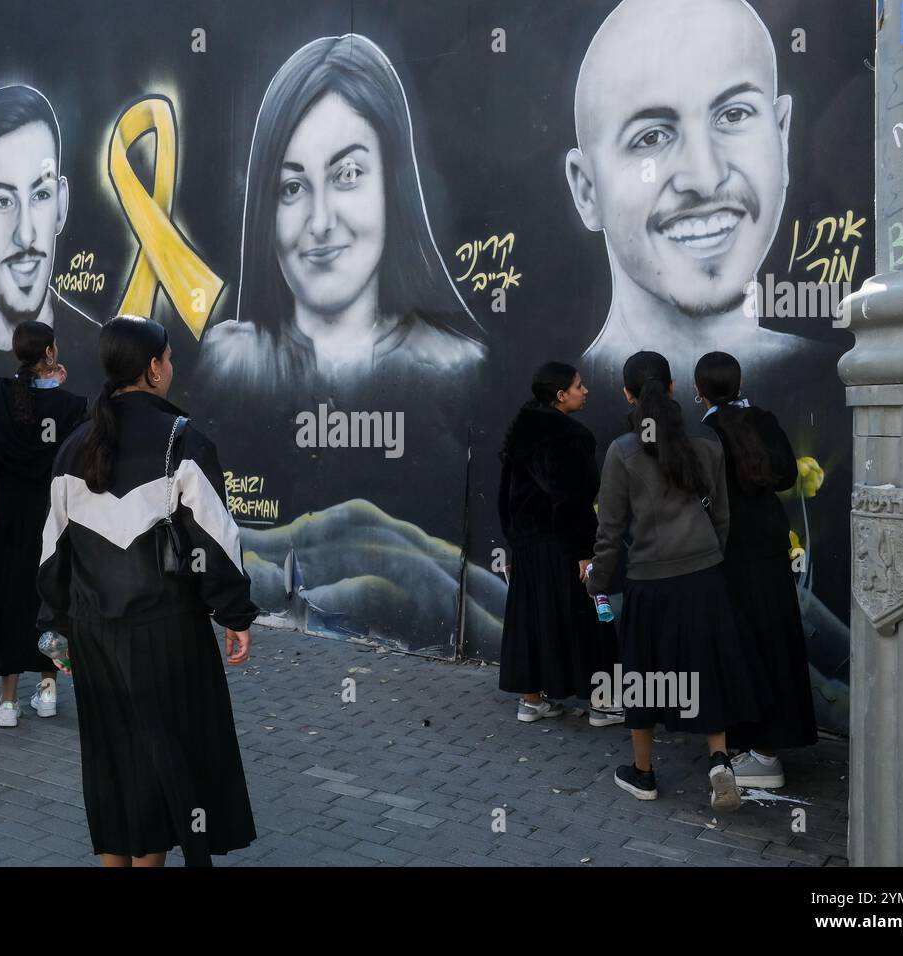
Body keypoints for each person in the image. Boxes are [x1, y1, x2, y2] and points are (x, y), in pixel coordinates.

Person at [38, 316, 258, 866]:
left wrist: (58, 630)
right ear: (154, 368)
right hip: (168, 634)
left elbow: (51, 557)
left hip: (95, 636)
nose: (172, 367)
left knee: (113, 766)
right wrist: (234, 613)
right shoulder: (182, 441)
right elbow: (216, 540)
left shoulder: (72, 449)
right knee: (169, 765)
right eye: (170, 357)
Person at [198, 33, 485, 405]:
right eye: (292, 187)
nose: (319, 222)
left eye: (347, 174)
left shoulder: (459, 368)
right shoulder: (226, 364)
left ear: (392, 187)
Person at [565, 0, 812, 427]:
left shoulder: (839, 381)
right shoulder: (576, 399)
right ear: (587, 190)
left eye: (733, 115)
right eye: (651, 136)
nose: (705, 176)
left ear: (782, 137)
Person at [587, 350, 770, 812]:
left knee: (643, 675)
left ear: (628, 394)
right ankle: (719, 763)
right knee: (707, 664)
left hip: (651, 580)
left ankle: (644, 773)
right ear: (672, 388)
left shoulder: (622, 452)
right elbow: (722, 518)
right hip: (705, 574)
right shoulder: (707, 444)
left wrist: (598, 583)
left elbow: (609, 531)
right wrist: (709, 557)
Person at [695, 351, 817, 786]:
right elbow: (785, 477)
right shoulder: (762, 420)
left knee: (741, 645)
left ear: (699, 390)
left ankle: (762, 756)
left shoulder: (706, 433)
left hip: (728, 554)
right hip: (767, 548)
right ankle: (763, 748)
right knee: (772, 639)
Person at [0, 85, 101, 404]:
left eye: (40, 196)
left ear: (61, 206)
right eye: (3, 201)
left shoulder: (98, 351)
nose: (26, 234)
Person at [497, 361, 620, 726]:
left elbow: (508, 494)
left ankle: (531, 702)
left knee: (531, 617)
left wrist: (516, 538)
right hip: (564, 545)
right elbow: (574, 500)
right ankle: (603, 704)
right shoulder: (570, 436)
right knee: (591, 618)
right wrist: (585, 552)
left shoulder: (523, 428)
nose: (586, 391)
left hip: (528, 545)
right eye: (579, 386)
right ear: (561, 395)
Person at [0, 320, 87, 727]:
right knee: (53, 594)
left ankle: (6, 700)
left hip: (10, 513)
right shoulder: (73, 404)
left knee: (8, 597)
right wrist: (59, 389)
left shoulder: (0, 392)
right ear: (50, 353)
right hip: (53, 516)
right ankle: (48, 687)